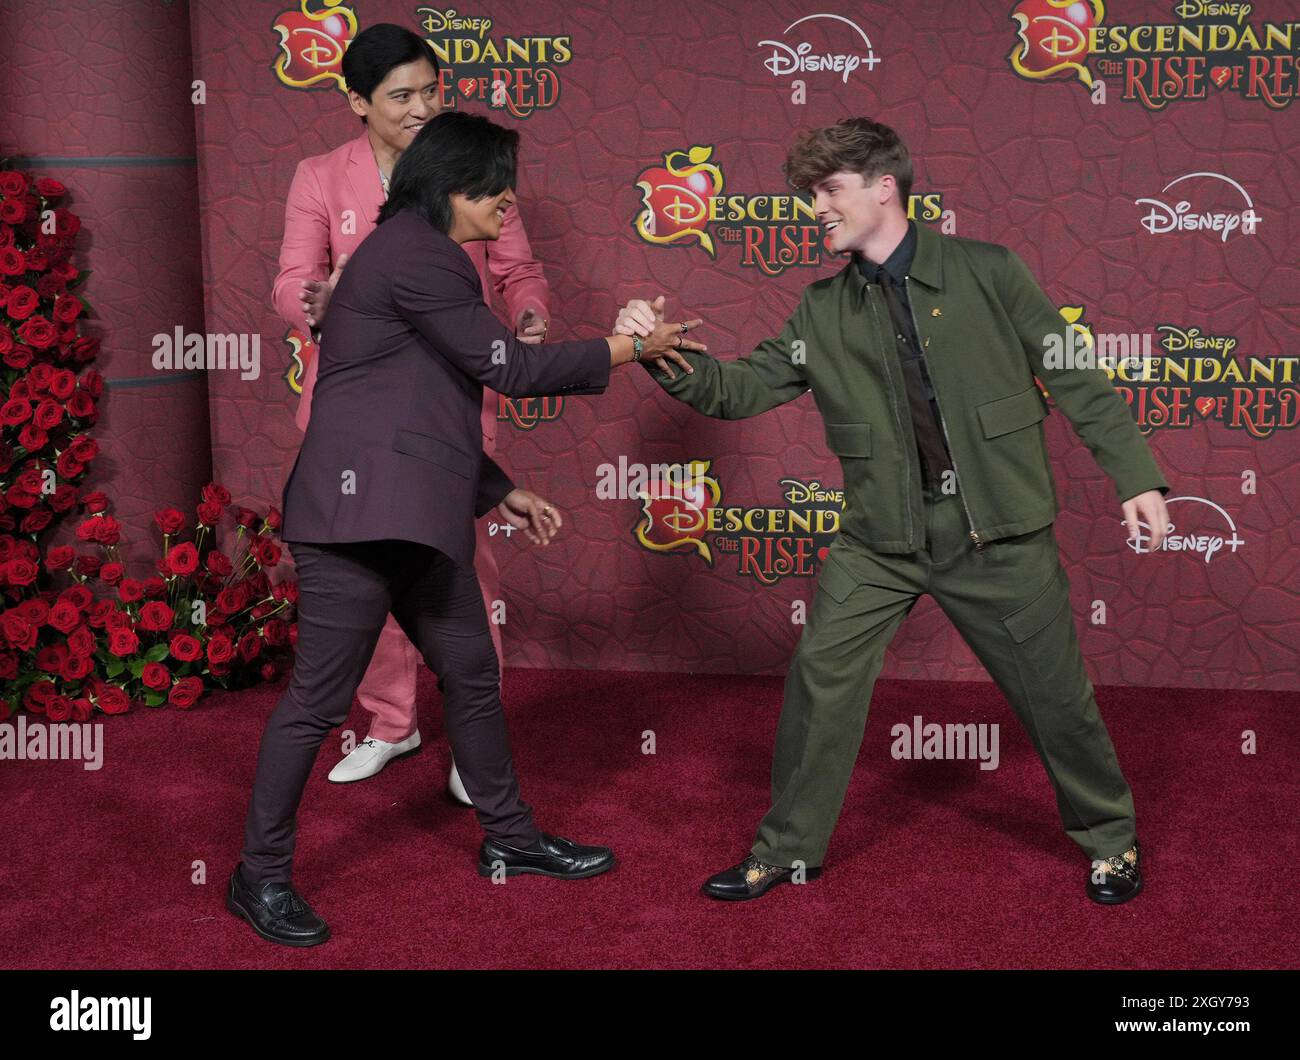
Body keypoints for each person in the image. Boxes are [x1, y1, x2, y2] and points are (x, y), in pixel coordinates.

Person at [616, 117, 1169, 906]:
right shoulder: (820, 311)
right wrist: (652, 350)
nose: (816, 209)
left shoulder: (990, 271)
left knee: (1055, 697)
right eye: (810, 195)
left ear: (885, 188)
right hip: (882, 539)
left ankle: (1110, 839)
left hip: (999, 534)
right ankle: (785, 849)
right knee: (821, 680)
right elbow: (737, 390)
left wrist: (1135, 477)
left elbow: (1074, 373)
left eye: (830, 191)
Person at [229, 111, 704, 947]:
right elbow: (508, 370)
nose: (507, 202)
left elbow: (407, 396)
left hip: (408, 513)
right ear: (453, 189)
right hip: (353, 522)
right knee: (316, 702)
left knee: (471, 674)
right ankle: (257, 878)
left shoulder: (409, 250)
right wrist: (630, 349)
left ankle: (512, 840)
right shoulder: (419, 254)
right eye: (496, 188)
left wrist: (497, 488)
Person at [272, 23, 553, 800]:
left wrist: (527, 312)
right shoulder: (321, 176)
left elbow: (518, 267)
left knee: (461, 580)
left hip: (453, 410)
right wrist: (313, 303)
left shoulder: (465, 165)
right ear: (357, 102)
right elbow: (294, 276)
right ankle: (391, 723)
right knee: (367, 580)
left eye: (432, 90)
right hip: (352, 412)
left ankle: (475, 744)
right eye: (401, 96)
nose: (422, 107)